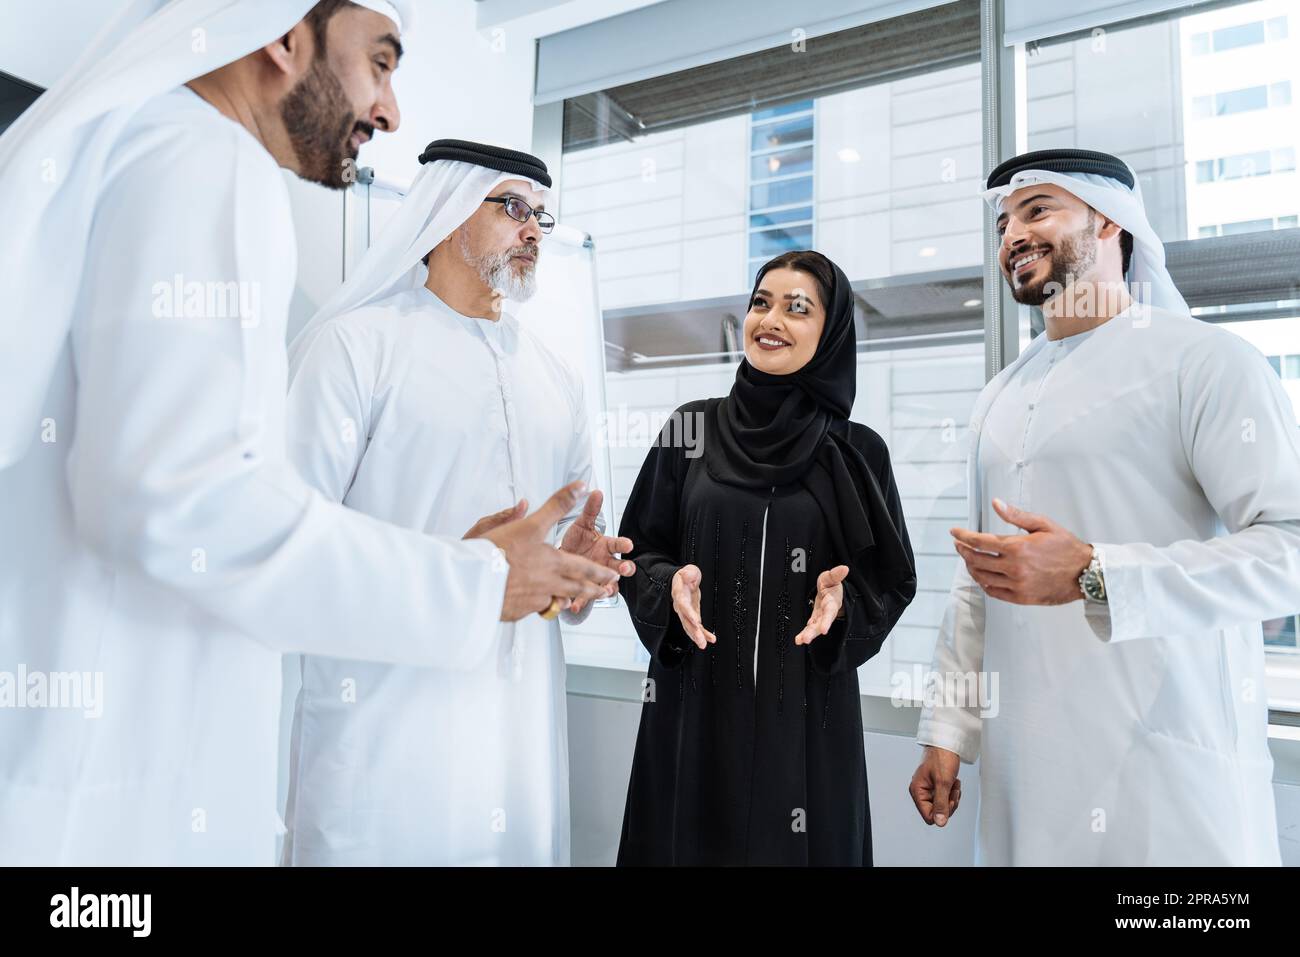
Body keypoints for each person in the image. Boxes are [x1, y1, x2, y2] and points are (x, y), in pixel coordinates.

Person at [0, 0, 616, 865]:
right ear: (285, 33)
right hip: (125, 796)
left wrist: (542, 572)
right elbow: (182, 503)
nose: (390, 111)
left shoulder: (144, 148)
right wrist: (471, 578)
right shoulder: (201, 159)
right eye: (382, 61)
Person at [909, 148, 1300, 865]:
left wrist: (1096, 572)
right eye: (1003, 223)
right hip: (1025, 784)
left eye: (1037, 211)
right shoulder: (999, 396)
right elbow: (979, 581)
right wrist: (948, 728)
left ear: (1111, 223)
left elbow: (1290, 549)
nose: (1012, 236)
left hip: (1166, 782)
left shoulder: (1206, 362)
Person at [281, 139, 634, 866]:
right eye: (513, 208)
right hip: (382, 723)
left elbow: (547, 571)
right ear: (444, 213)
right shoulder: (356, 348)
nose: (534, 228)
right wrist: (459, 564)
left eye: (542, 214)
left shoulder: (557, 379)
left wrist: (575, 575)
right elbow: (289, 543)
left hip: (516, 730)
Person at [616, 250, 916, 866]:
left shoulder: (858, 451)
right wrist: (669, 582)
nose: (770, 318)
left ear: (830, 332)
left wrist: (844, 604)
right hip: (693, 709)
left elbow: (890, 581)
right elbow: (638, 549)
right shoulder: (691, 428)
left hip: (806, 718)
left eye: (797, 307)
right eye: (761, 302)